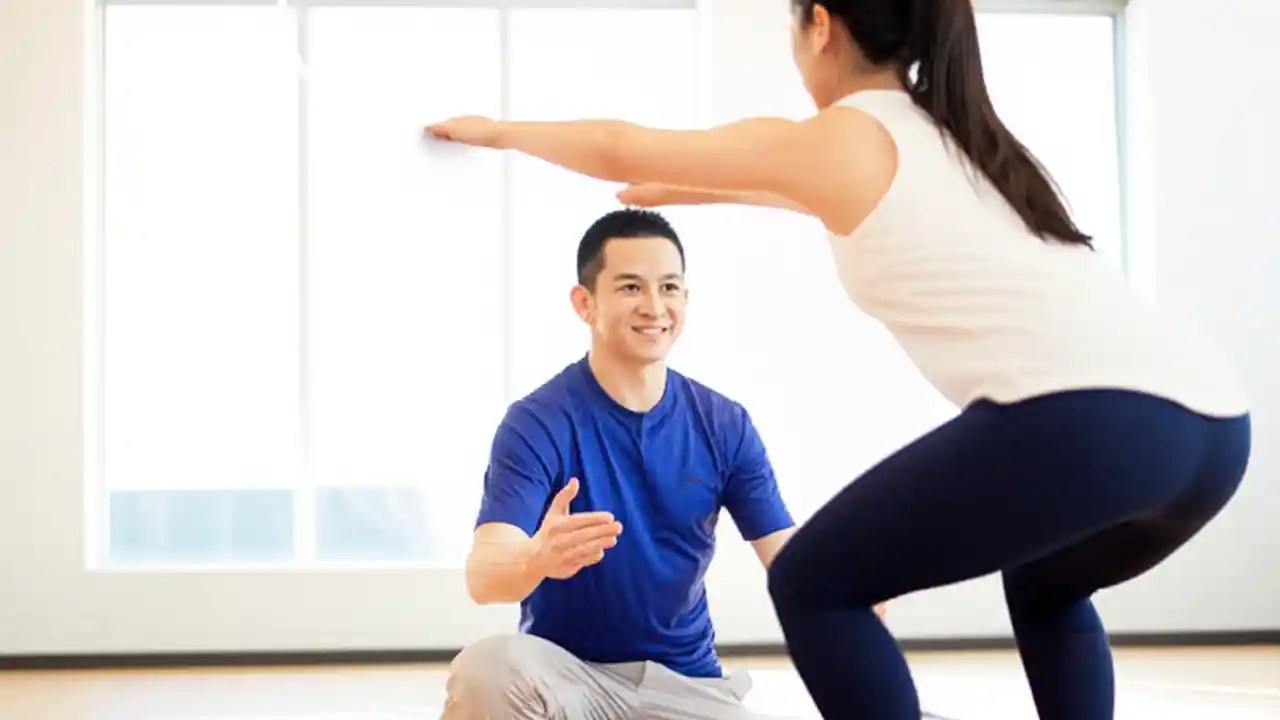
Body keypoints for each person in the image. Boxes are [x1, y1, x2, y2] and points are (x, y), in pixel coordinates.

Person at [426, 1, 1253, 718]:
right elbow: (805, 188)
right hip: (1213, 433)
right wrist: (697, 191)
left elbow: (618, 144)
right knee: (1046, 584)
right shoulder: (957, 136)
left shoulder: (850, 134)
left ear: (819, 24)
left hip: (1092, 419)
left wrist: (496, 132)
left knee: (816, 582)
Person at [442, 209, 804, 720]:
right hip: (569, 679)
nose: (654, 307)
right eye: (631, 287)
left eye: (670, 288)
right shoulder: (537, 422)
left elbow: (790, 562)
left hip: (687, 687)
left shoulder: (724, 424)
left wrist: (850, 585)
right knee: (487, 668)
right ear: (584, 303)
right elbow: (484, 577)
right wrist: (535, 559)